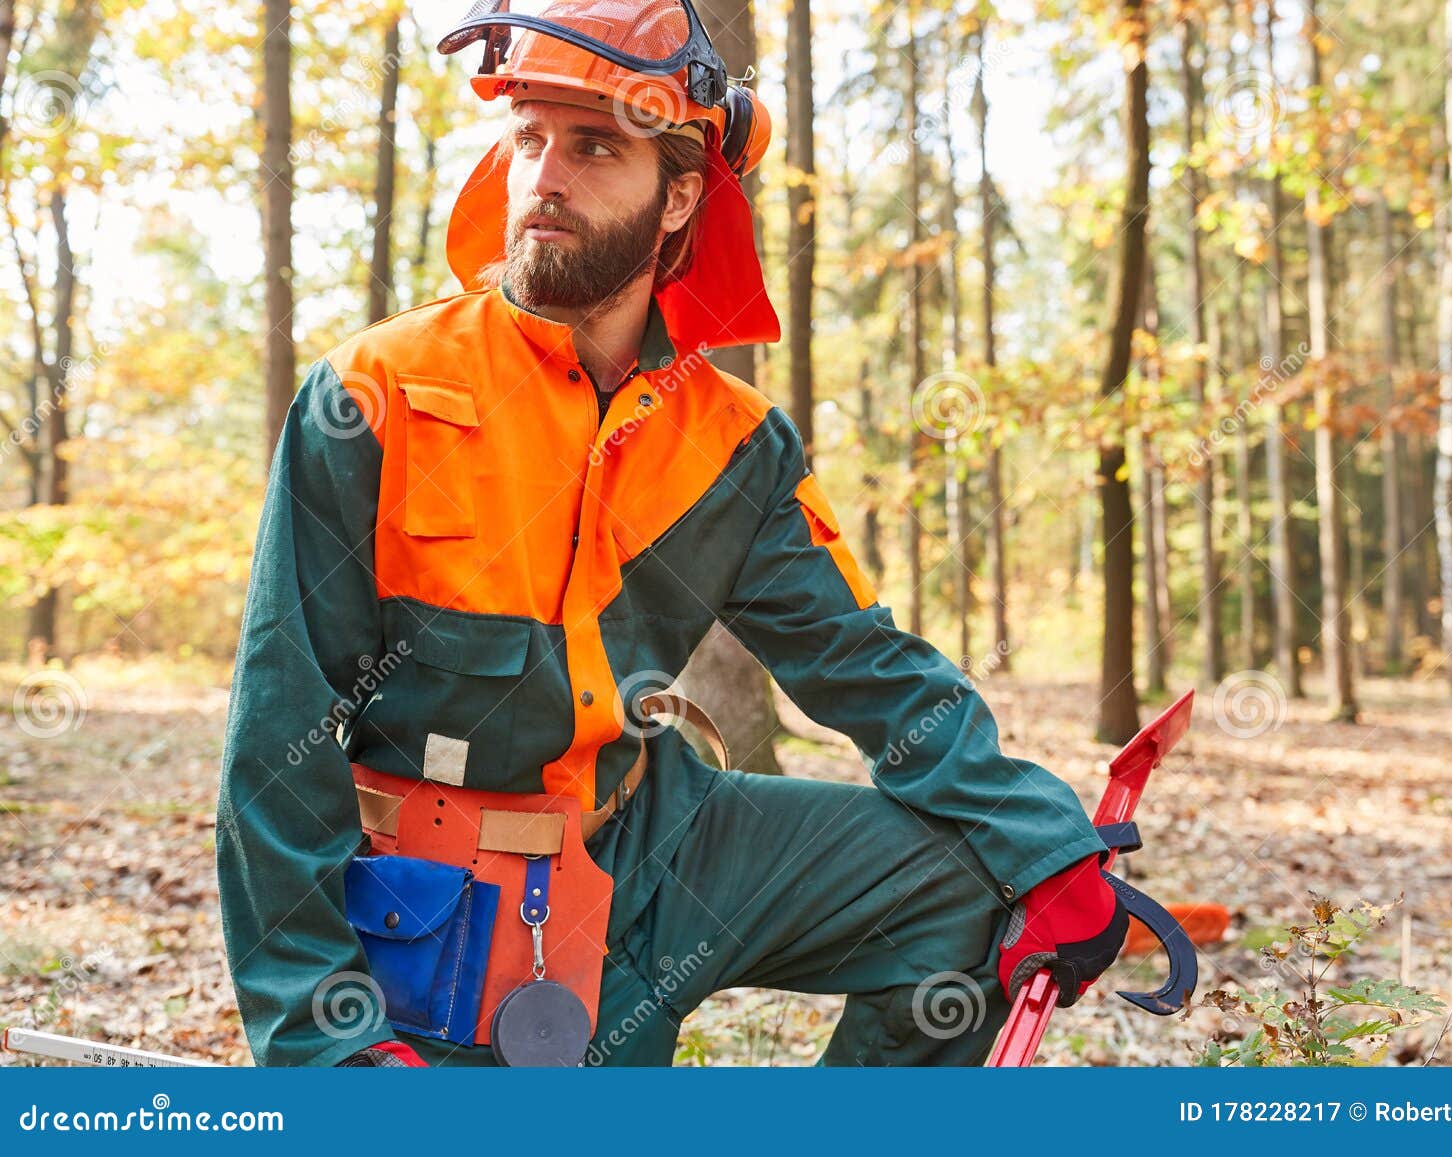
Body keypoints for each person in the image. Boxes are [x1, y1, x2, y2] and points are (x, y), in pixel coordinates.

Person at [215, 0, 1125, 1069]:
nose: (545, 176)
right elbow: (274, 744)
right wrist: (327, 1034)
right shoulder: (373, 396)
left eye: (594, 146)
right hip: (439, 908)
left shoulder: (734, 443)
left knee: (972, 879)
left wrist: (1044, 842)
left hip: (657, 841)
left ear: (680, 192)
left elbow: (864, 662)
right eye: (529, 139)